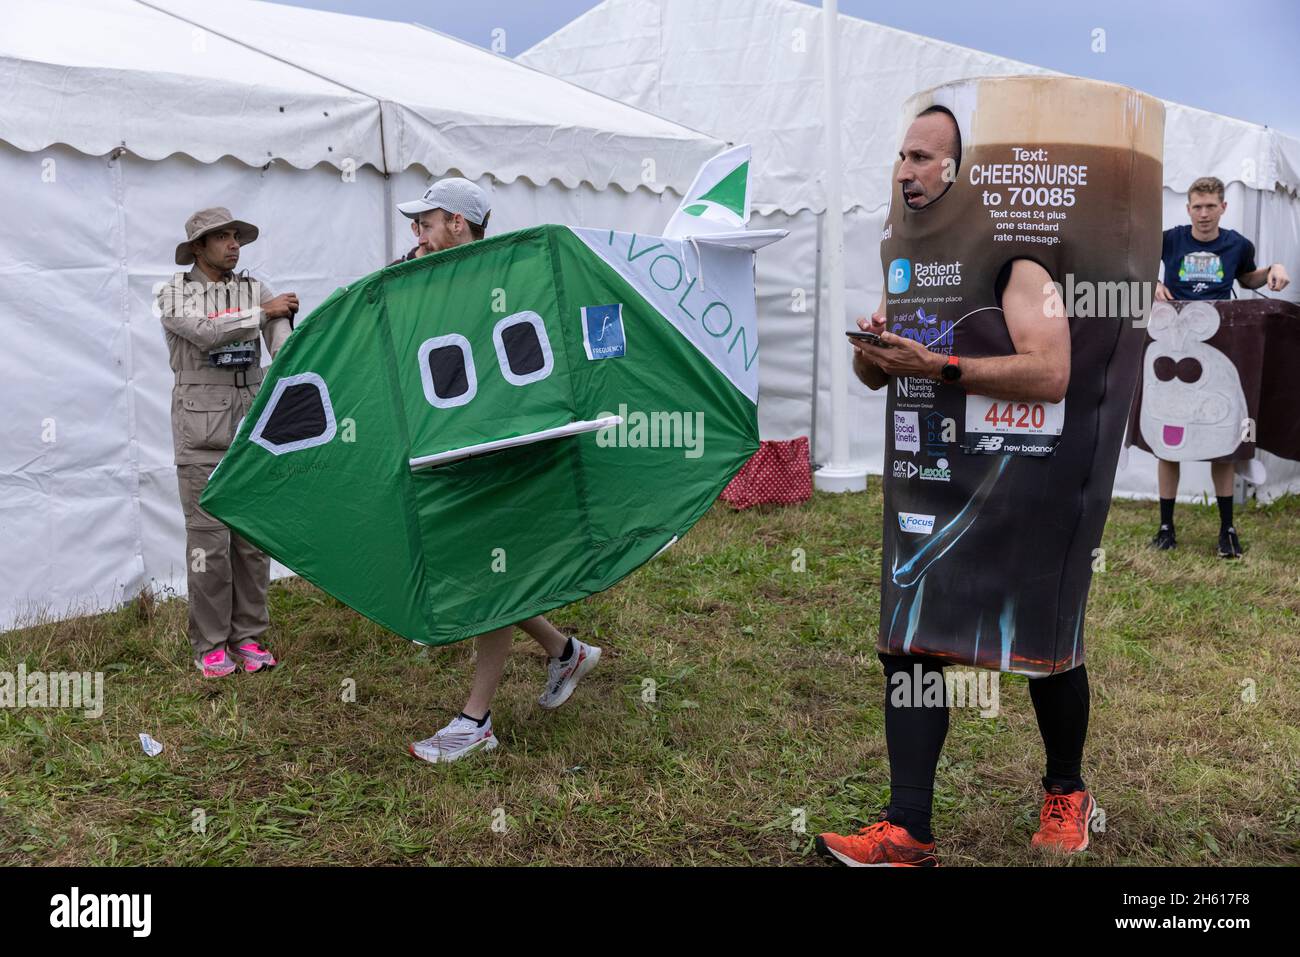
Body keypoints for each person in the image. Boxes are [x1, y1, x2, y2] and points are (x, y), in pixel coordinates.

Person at [816, 106, 1095, 866]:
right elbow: (874, 377)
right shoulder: (901, 254)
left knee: (1045, 643)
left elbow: (1053, 370)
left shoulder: (1015, 257)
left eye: (922, 157)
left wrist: (938, 366)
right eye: (900, 156)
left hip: (1020, 481)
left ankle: (1066, 791)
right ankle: (909, 825)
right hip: (930, 481)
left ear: (959, 172)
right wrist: (878, 352)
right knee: (908, 646)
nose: (905, 170)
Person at [394, 178, 602, 763]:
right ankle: (565, 652)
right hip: (459, 450)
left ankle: (476, 719)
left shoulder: (506, 277)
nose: (417, 235)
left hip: (503, 454)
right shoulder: (428, 280)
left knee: (492, 575)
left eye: (426, 224)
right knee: (489, 566)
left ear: (458, 223)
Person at [157, 208, 299, 677]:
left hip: (253, 426)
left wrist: (288, 341)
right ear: (198, 248)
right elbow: (202, 331)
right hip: (200, 433)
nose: (233, 244)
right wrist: (264, 313)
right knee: (209, 544)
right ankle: (211, 643)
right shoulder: (174, 292)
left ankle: (249, 635)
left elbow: (280, 342)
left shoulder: (256, 287)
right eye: (220, 237)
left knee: (252, 540)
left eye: (235, 235)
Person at [1151, 175, 1291, 557]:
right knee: (1170, 436)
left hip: (1223, 347)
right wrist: (1151, 284)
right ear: (1188, 208)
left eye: (1211, 206)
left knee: (1223, 440)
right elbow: (1133, 261)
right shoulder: (1169, 239)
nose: (1203, 214)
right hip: (1175, 345)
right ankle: (1166, 527)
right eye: (1197, 206)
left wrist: (1273, 268)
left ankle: (1227, 529)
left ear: (1223, 207)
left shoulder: (1237, 245)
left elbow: (1247, 278)